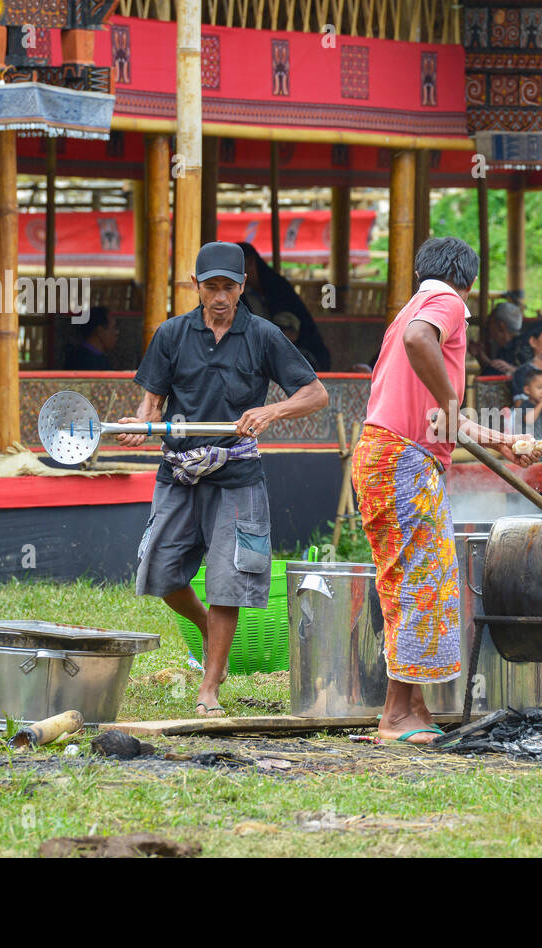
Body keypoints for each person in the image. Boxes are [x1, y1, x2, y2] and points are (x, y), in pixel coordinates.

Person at [118, 242, 328, 718]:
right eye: (210, 287)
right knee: (160, 572)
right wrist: (141, 425)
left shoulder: (264, 335)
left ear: (242, 287)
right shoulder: (170, 335)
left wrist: (272, 410)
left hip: (238, 475)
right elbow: (151, 404)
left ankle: (210, 686)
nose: (219, 296)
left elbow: (316, 394)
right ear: (196, 286)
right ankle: (212, 636)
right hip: (179, 472)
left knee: (229, 581)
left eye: (228, 287)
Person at [352, 237, 536, 744]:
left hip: (384, 455)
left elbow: (442, 417)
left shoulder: (410, 308)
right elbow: (423, 350)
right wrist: (454, 399)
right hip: (402, 460)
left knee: (413, 578)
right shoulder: (445, 304)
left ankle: (415, 710)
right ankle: (394, 717)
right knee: (420, 582)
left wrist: (504, 442)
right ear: (470, 283)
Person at [238, 241, 331, 372]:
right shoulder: (239, 294)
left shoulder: (278, 287)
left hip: (298, 353)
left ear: (250, 262)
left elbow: (293, 330)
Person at [471, 301, 523, 374]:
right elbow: (492, 372)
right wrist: (480, 355)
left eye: (490, 322)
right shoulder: (503, 347)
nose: (488, 326)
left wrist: (514, 370)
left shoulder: (524, 347)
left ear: (501, 326)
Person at [63, 306, 119, 370]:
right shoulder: (90, 363)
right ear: (100, 331)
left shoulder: (76, 356)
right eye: (114, 328)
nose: (117, 332)